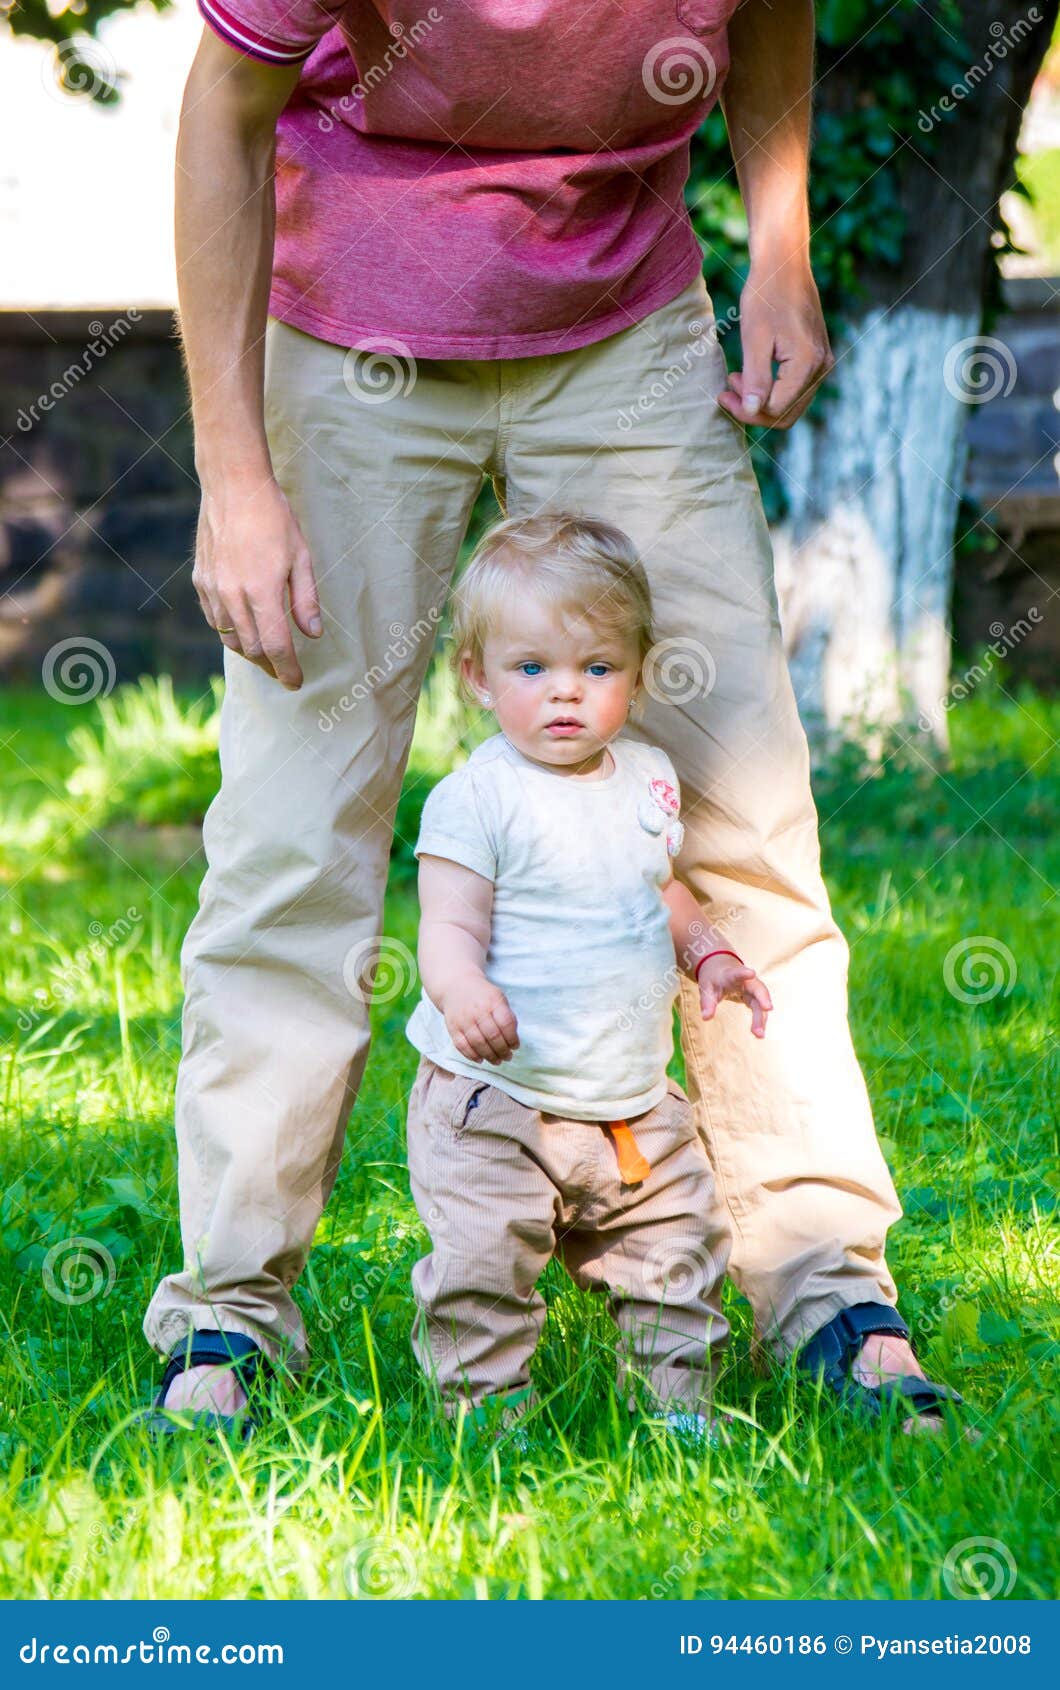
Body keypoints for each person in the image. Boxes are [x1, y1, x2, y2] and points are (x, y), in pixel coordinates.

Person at [144, 0, 964, 1438]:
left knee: (740, 808)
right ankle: (230, 1305)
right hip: (353, 335)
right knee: (295, 833)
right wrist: (234, 472)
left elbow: (769, 14)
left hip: (622, 328)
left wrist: (780, 251)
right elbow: (224, 111)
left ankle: (824, 1278)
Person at [403, 513, 772, 1442]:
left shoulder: (646, 777)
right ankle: (488, 1412)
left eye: (596, 669)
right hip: (498, 1098)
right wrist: (462, 993)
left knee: (676, 1249)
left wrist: (708, 951)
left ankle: (678, 1403)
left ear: (638, 677)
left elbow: (661, 889)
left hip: (630, 1105)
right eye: (532, 669)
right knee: (485, 1264)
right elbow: (445, 926)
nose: (565, 693)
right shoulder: (477, 797)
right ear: (477, 678)